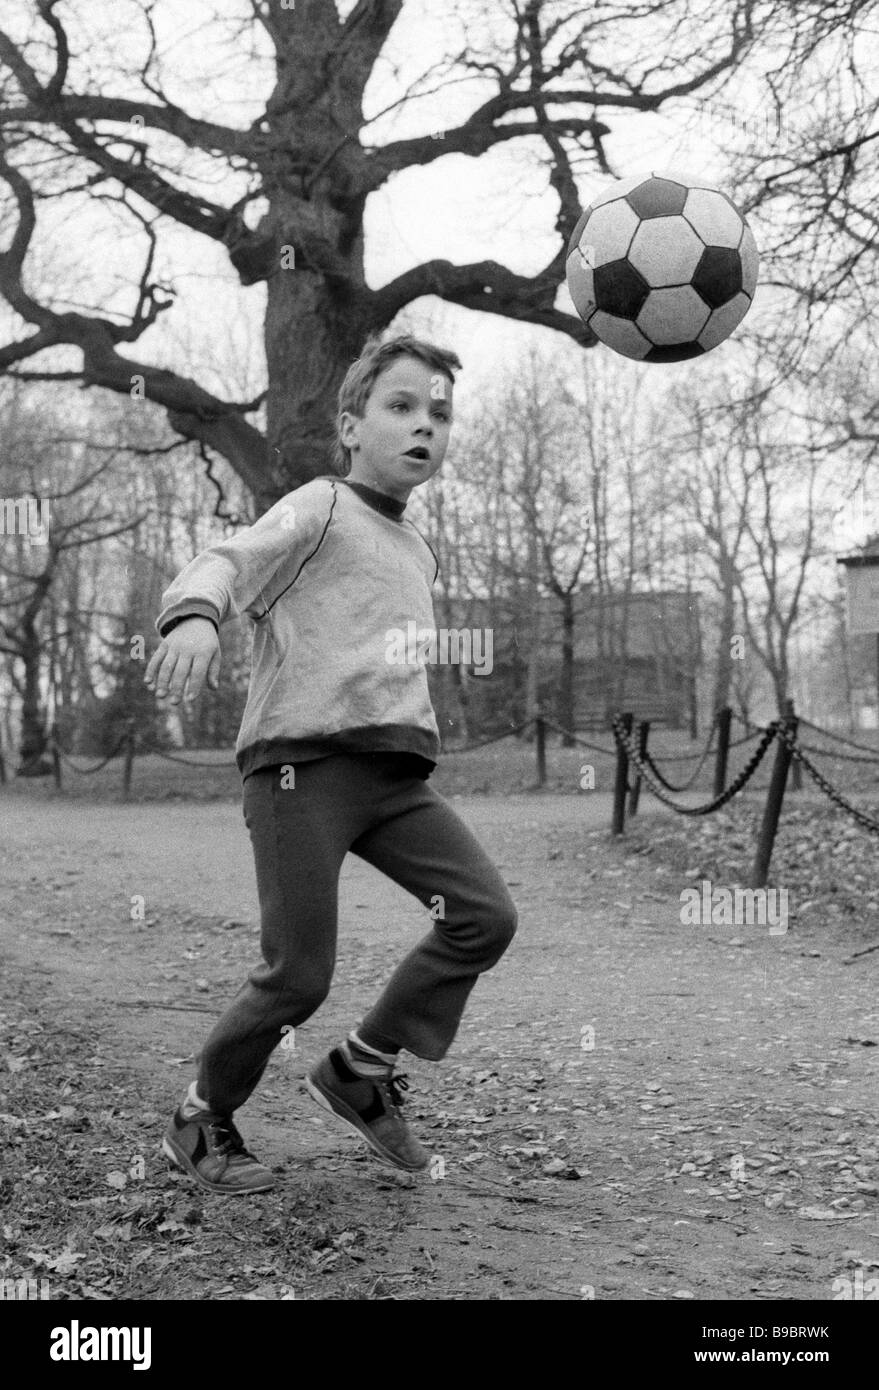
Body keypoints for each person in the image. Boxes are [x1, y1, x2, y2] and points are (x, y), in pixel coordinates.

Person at [144, 333, 518, 1194]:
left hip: (393, 778)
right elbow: (228, 561)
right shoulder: (319, 507)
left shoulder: (419, 547)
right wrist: (195, 615)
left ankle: (360, 1068)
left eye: (439, 414)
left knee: (481, 916)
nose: (424, 425)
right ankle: (201, 1120)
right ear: (350, 427)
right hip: (298, 772)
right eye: (400, 407)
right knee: (298, 976)